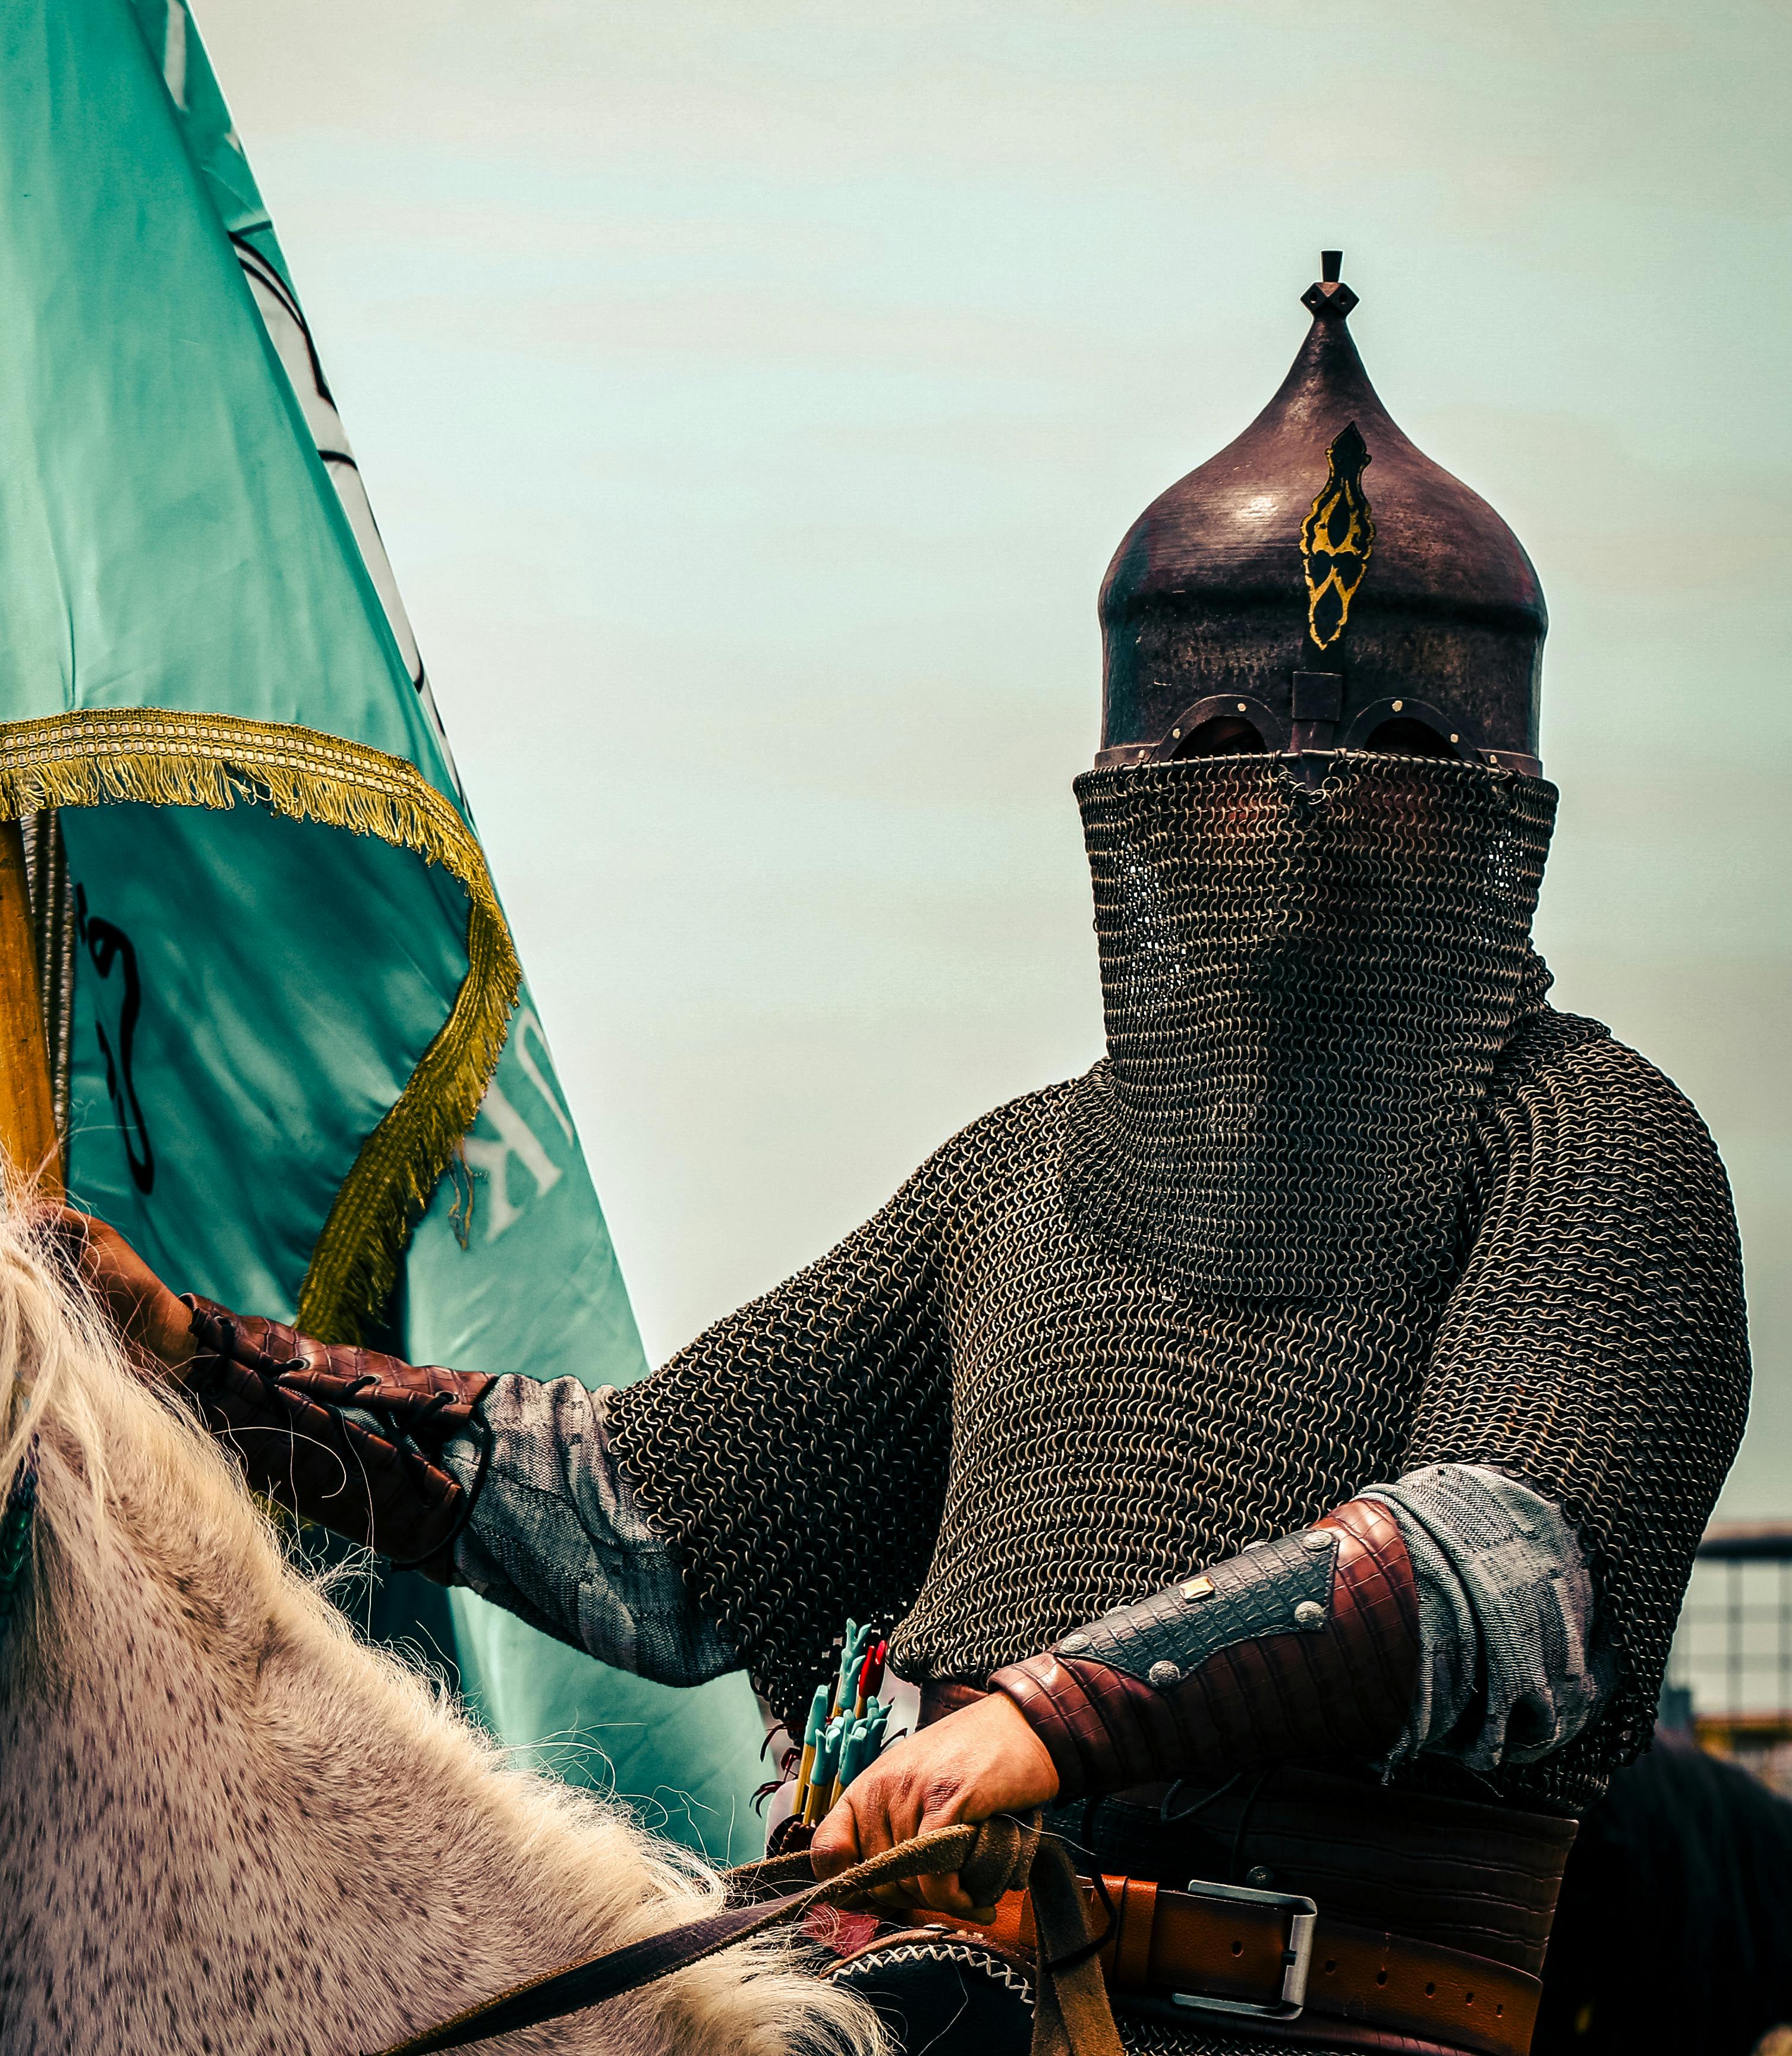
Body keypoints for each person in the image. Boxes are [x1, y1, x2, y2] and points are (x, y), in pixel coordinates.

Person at [74, 256, 1749, 2056]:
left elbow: (1505, 1574)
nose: (1305, 798)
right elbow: (651, 1524)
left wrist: (1042, 1718)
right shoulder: (1028, 1176)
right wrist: (202, 1361)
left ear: (1493, 801)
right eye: (1229, 752)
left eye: (1395, 757)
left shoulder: (1590, 1141)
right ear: (1138, 792)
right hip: (904, 1994)